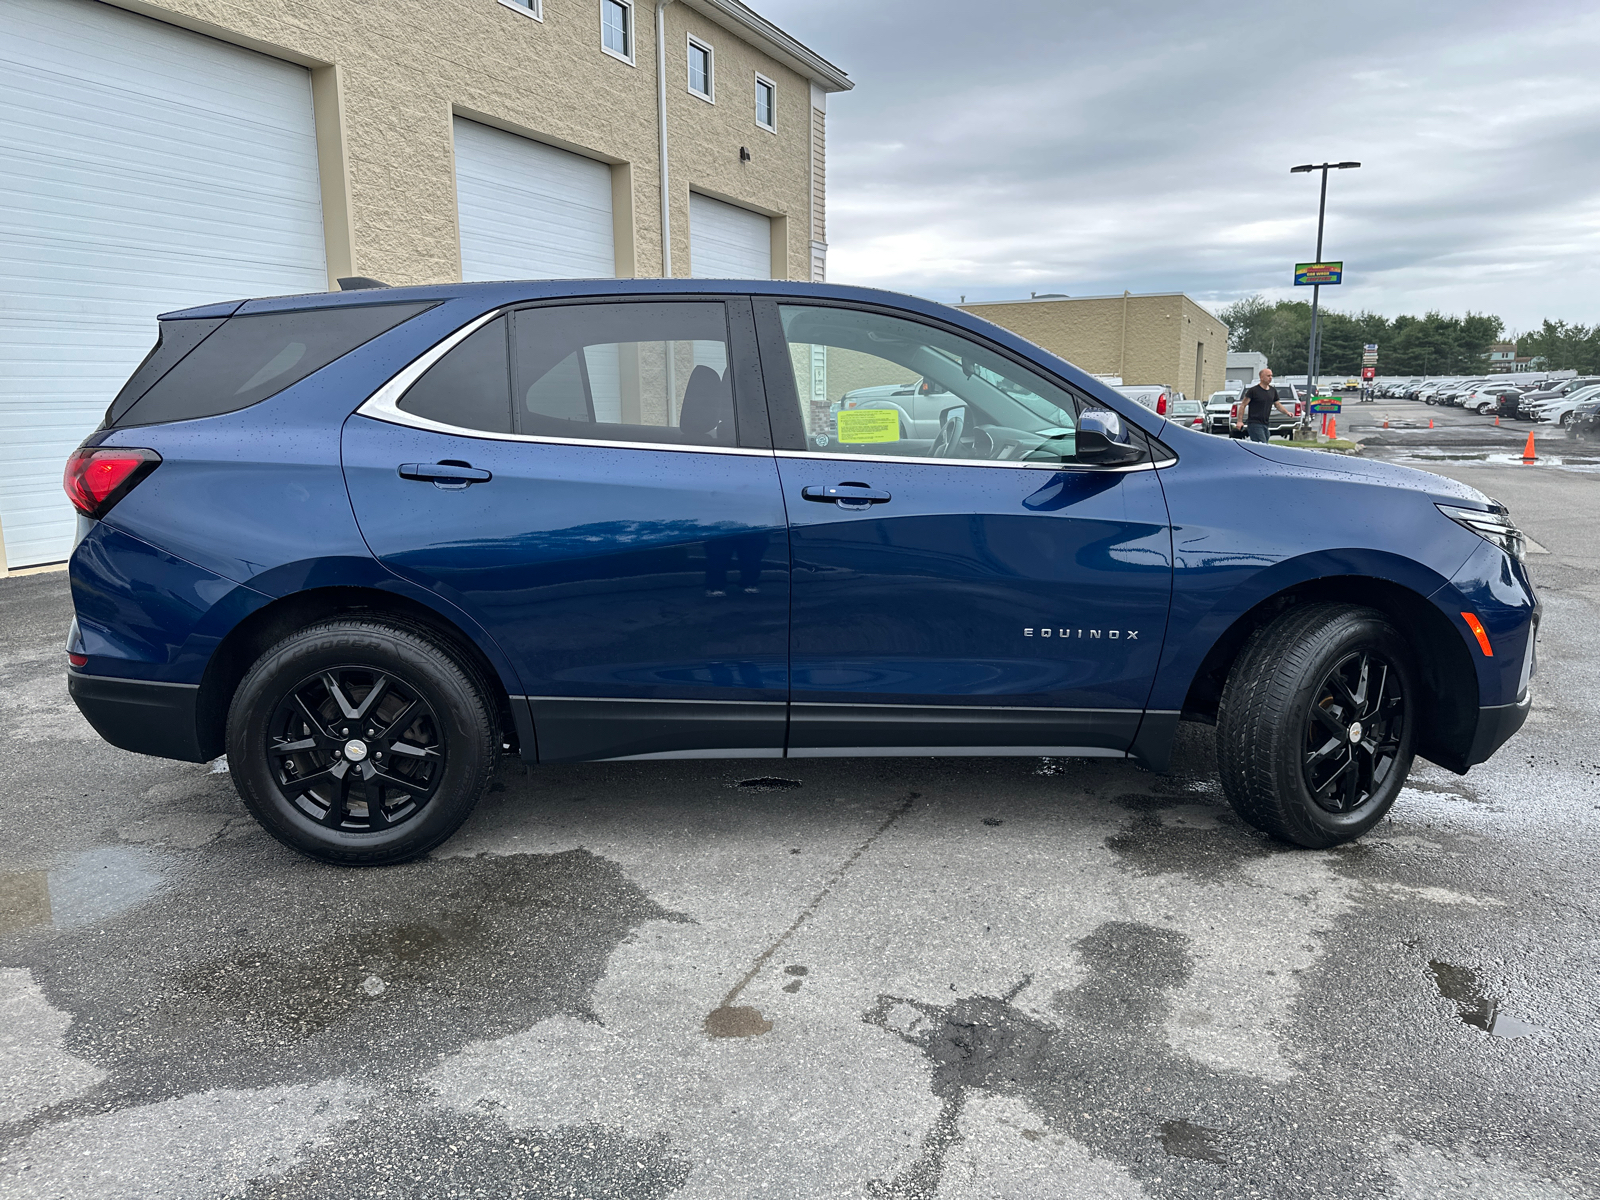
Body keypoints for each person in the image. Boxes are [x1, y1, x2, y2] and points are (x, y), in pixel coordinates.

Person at [1235, 368, 1293, 443]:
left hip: (1265, 424)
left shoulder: (1272, 390)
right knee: (1262, 444)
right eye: (1268, 376)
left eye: (1271, 376)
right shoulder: (1253, 391)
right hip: (1254, 423)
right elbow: (1243, 405)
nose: (1270, 378)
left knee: (1263, 444)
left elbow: (1277, 404)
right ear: (1261, 377)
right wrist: (1239, 421)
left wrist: (1287, 412)